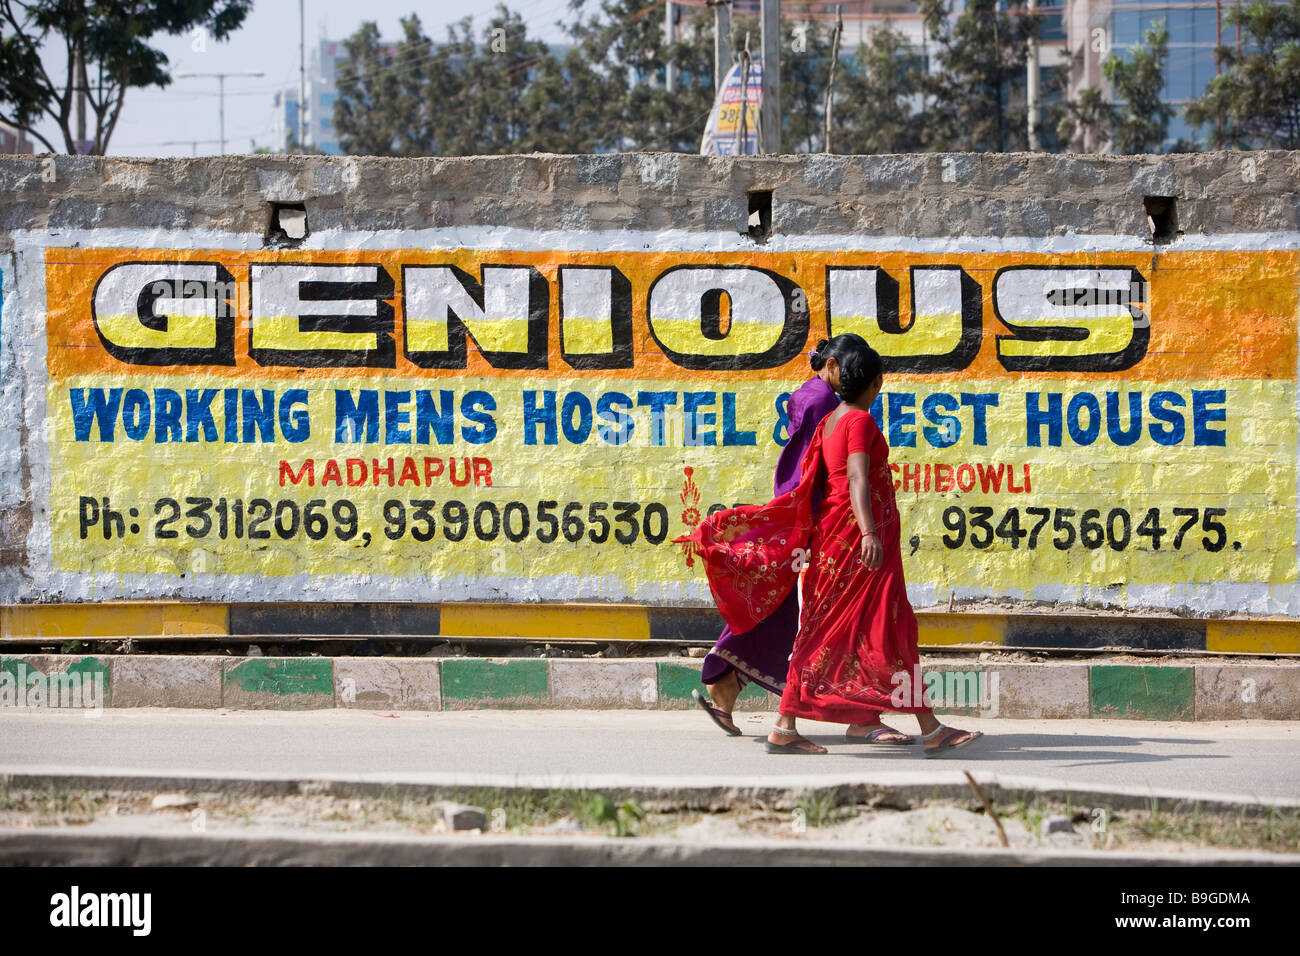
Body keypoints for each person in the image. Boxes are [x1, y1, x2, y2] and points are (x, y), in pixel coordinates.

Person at [679, 339, 982, 758]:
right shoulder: (857, 422)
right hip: (858, 547)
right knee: (876, 630)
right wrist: (870, 533)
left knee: (847, 633)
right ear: (875, 383)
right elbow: (856, 478)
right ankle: (924, 728)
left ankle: (804, 725)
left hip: (840, 542)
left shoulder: (829, 420)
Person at [690, 336, 855, 736]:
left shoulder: (810, 394)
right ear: (830, 365)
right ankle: (749, 699)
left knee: (783, 607)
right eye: (848, 370)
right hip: (808, 516)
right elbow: (811, 464)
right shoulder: (822, 402)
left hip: (801, 511)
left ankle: (728, 688)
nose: (852, 379)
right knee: (792, 609)